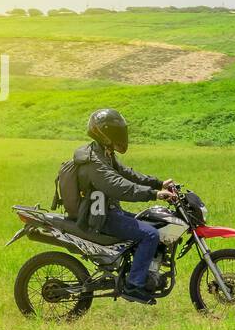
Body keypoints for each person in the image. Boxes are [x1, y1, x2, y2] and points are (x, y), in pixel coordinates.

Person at [74, 108, 177, 305]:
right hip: (101, 217)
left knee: (152, 223)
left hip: (110, 211)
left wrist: (158, 183)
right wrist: (152, 194)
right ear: (104, 132)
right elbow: (118, 186)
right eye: (116, 132)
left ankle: (139, 272)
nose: (121, 136)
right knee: (150, 234)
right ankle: (133, 286)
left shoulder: (104, 153)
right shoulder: (93, 161)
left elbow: (128, 174)